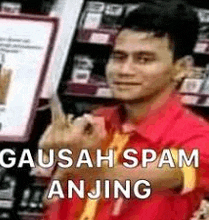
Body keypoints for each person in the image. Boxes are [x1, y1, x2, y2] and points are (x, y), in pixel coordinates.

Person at [39, 0, 209, 219]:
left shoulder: (198, 139)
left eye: (144, 59)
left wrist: (77, 156)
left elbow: (129, 179)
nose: (124, 70)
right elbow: (53, 198)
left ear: (182, 68)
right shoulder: (96, 120)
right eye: (118, 57)